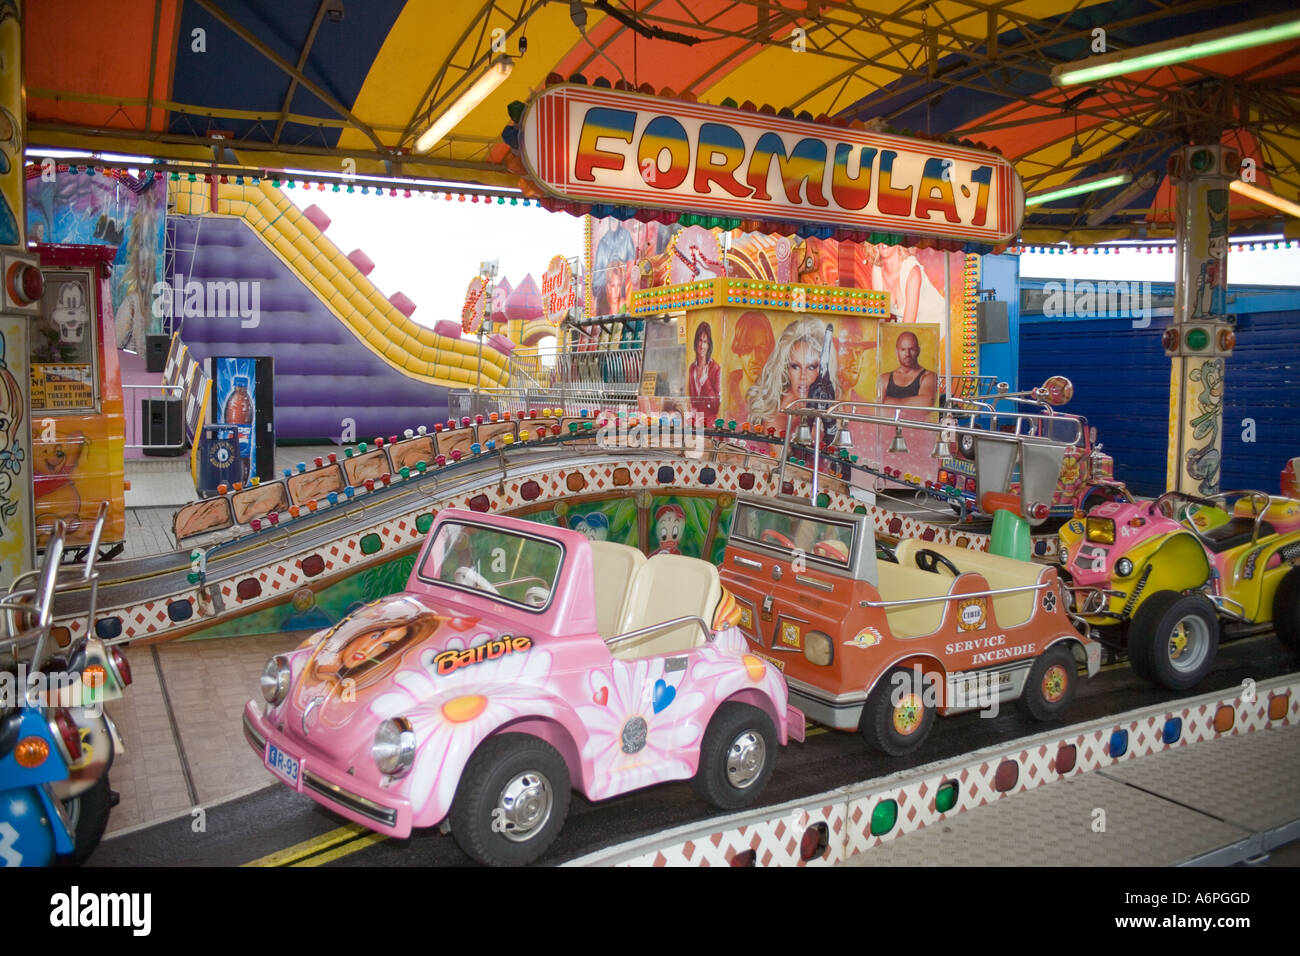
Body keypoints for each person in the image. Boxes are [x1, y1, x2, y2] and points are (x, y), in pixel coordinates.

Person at [747, 316, 836, 431]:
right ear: (786, 368)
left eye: (811, 367)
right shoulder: (777, 418)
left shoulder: (827, 406)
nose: (803, 376)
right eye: (795, 366)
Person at [725, 311, 774, 421]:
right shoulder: (726, 389)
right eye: (747, 348)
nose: (755, 358)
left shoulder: (777, 393)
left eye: (761, 348)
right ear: (739, 351)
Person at [878, 330, 937, 408]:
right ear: (897, 352)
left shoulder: (929, 376)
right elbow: (879, 408)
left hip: (916, 420)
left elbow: (926, 404)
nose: (907, 354)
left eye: (911, 349)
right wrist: (914, 403)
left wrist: (888, 402)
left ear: (918, 351)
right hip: (889, 420)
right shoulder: (884, 378)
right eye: (903, 349)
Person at [591, 224, 637, 315]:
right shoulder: (603, 242)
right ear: (608, 287)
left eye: (618, 285)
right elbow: (597, 273)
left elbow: (632, 262)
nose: (616, 291)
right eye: (612, 286)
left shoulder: (626, 236)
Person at [687, 321, 721, 420]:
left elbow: (716, 406)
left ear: (709, 345)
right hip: (694, 423)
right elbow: (692, 401)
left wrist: (705, 381)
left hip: (709, 425)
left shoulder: (715, 369)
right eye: (700, 340)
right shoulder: (692, 368)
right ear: (696, 342)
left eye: (705, 342)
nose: (702, 345)